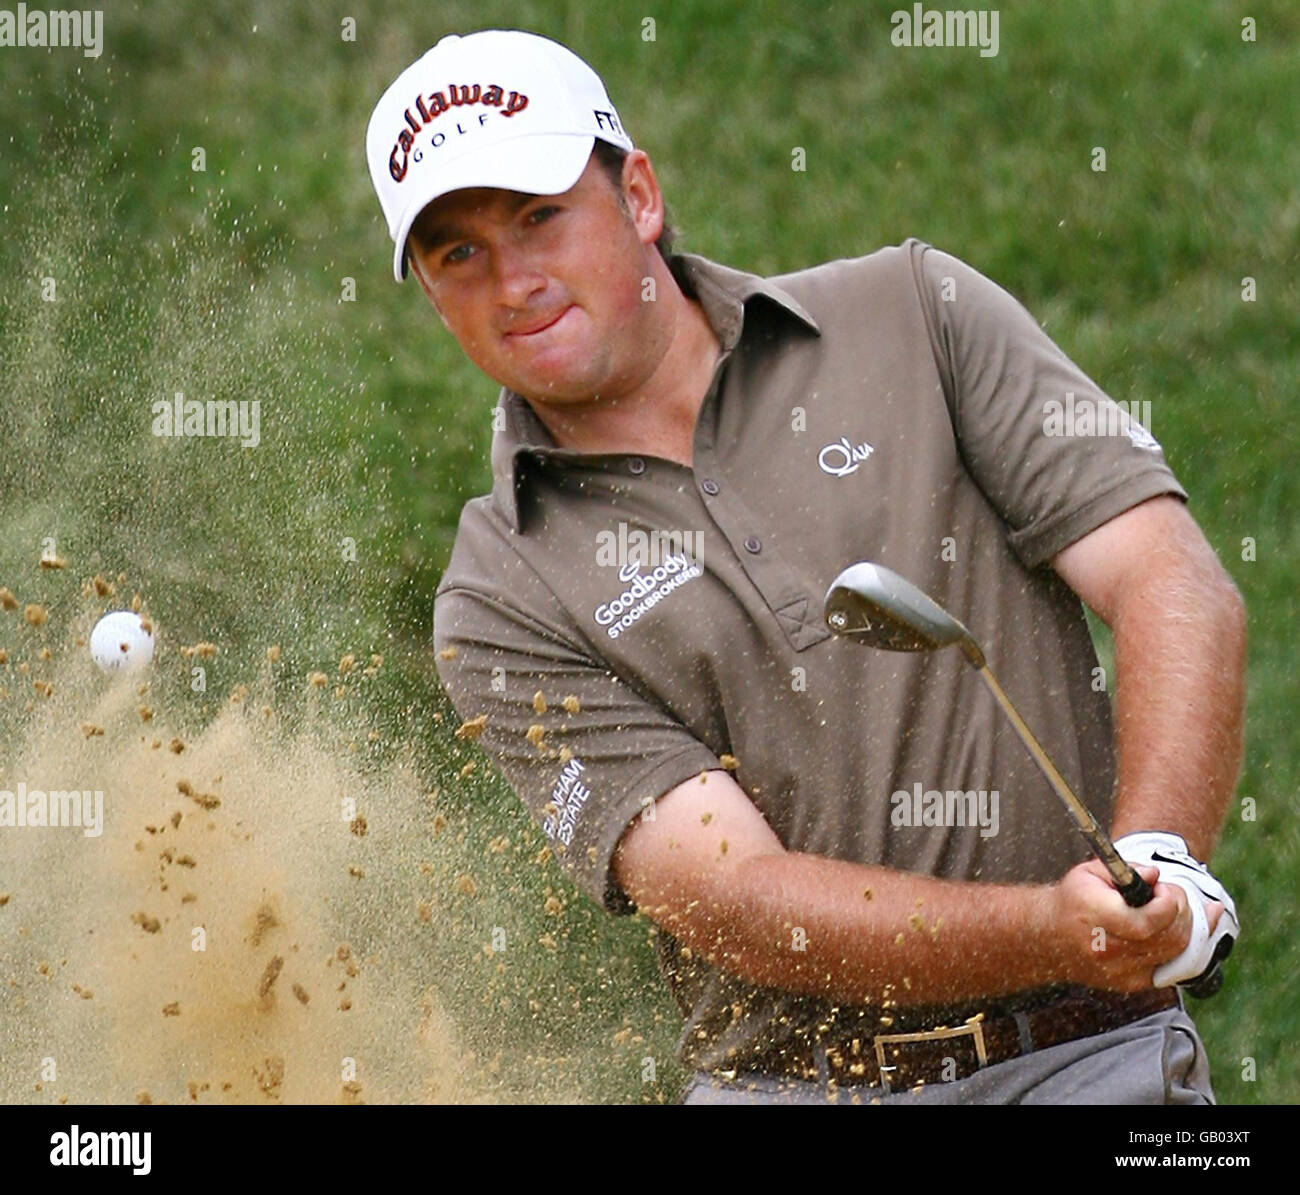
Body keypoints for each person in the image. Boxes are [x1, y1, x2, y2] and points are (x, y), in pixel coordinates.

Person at [365, 28, 1245, 1105]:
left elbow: (1167, 577)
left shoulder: (910, 312)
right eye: (458, 253)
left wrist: (1161, 863)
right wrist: (1053, 929)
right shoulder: (500, 593)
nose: (511, 280)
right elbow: (735, 897)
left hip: (1092, 1061)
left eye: (538, 217)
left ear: (636, 195)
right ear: (430, 293)